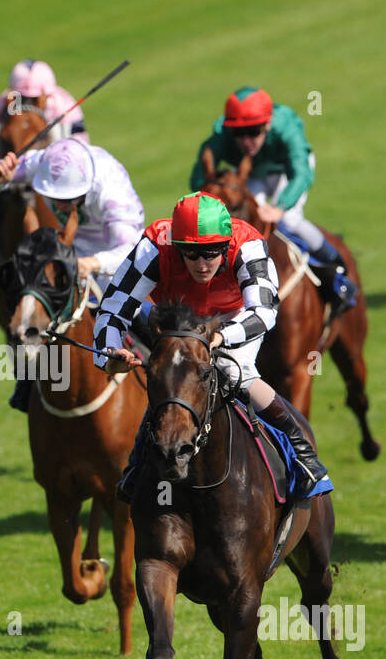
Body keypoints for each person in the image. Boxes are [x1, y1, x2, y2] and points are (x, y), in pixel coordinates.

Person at [94, 191, 328, 504]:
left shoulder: (248, 245)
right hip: (179, 316)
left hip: (233, 317)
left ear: (227, 244)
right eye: (191, 254)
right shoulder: (154, 246)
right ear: (177, 247)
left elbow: (263, 312)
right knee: (171, 376)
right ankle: (138, 464)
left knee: (233, 371)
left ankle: (302, 453)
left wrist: (223, 337)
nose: (202, 264)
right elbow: (113, 305)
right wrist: (109, 352)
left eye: (213, 252)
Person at [0, 138, 145, 411]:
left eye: (69, 200)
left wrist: (92, 263)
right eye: (54, 198)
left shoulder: (112, 193)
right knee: (34, 292)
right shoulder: (44, 163)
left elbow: (132, 253)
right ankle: (28, 377)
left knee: (137, 313)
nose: (61, 205)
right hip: (70, 248)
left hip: (113, 250)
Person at [189, 87, 356, 312]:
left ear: (267, 125)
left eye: (254, 131)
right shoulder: (222, 136)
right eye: (239, 133)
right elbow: (199, 175)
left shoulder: (286, 128)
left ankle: (335, 265)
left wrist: (280, 206)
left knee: (289, 221)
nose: (247, 140)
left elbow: (301, 173)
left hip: (287, 172)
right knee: (247, 224)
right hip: (255, 173)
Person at [0, 60, 90, 256]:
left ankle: (85, 225)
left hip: (58, 151)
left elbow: (81, 143)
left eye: (33, 98)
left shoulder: (61, 104)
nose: (27, 102)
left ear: (44, 95)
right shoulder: (10, 102)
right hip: (10, 154)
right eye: (23, 97)